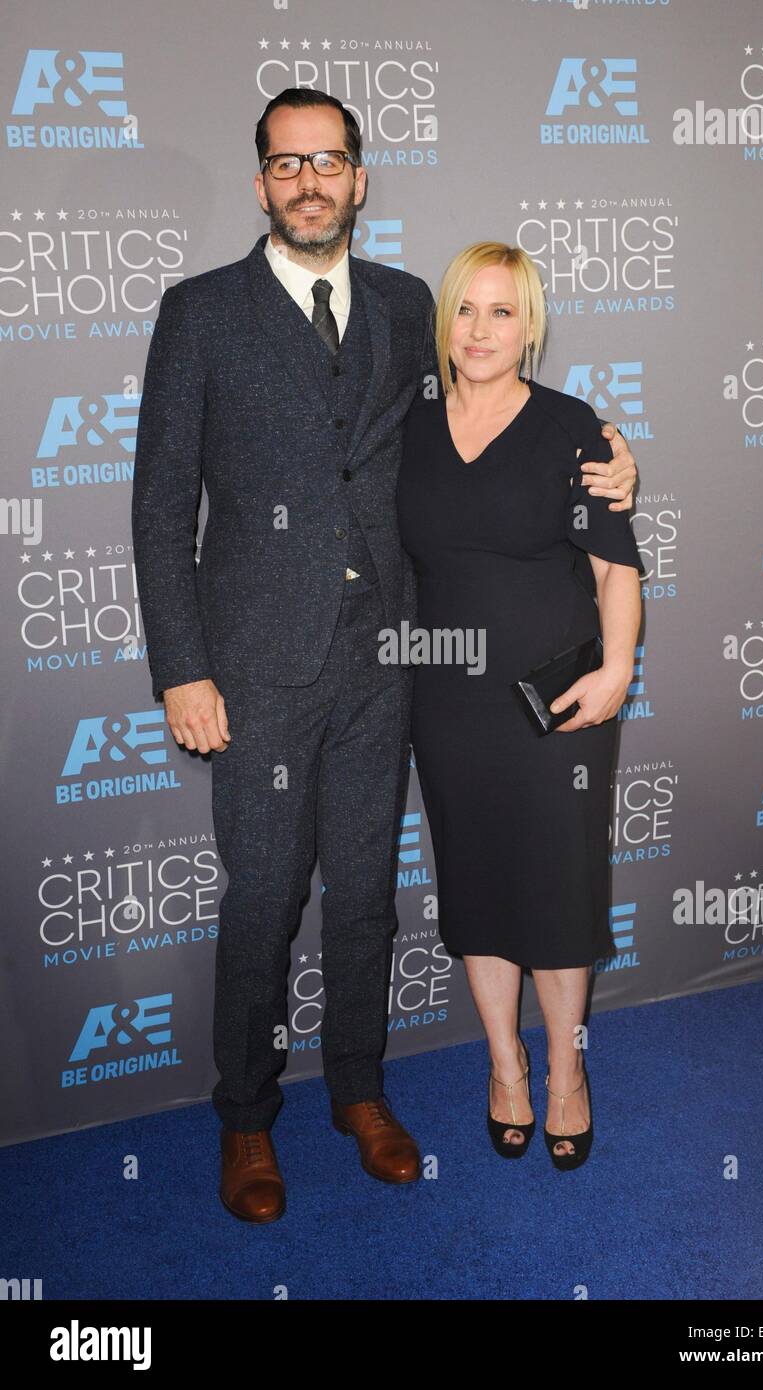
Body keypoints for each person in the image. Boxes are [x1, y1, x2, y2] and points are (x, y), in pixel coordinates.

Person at [131, 89, 639, 1222]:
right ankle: (248, 1119)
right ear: (263, 180)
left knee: (366, 898)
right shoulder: (200, 312)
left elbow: (496, 411)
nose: (309, 180)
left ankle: (359, 1092)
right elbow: (162, 503)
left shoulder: (414, 306)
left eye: (330, 161)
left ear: (361, 178)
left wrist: (614, 460)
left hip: (391, 665)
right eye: (286, 162)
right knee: (263, 899)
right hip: (255, 670)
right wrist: (182, 666)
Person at [396, 242, 643, 1170]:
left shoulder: (573, 428)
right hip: (444, 698)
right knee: (477, 883)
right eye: (466, 310)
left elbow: (617, 570)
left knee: (558, 890)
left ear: (530, 325)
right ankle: (504, 1067)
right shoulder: (408, 423)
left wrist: (617, 667)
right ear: (444, 322)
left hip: (559, 704)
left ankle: (566, 1074)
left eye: (503, 312)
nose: (481, 330)